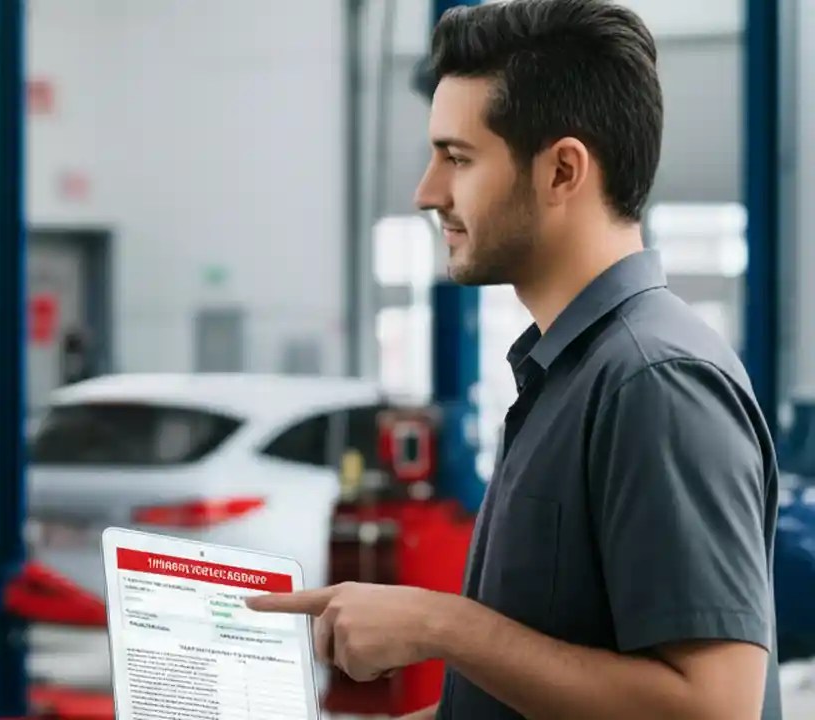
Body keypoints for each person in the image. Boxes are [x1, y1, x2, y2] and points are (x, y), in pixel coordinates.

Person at [248, 1, 781, 718]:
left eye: (458, 159)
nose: (427, 193)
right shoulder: (567, 377)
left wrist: (439, 624)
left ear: (562, 171)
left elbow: (715, 709)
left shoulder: (653, 382)